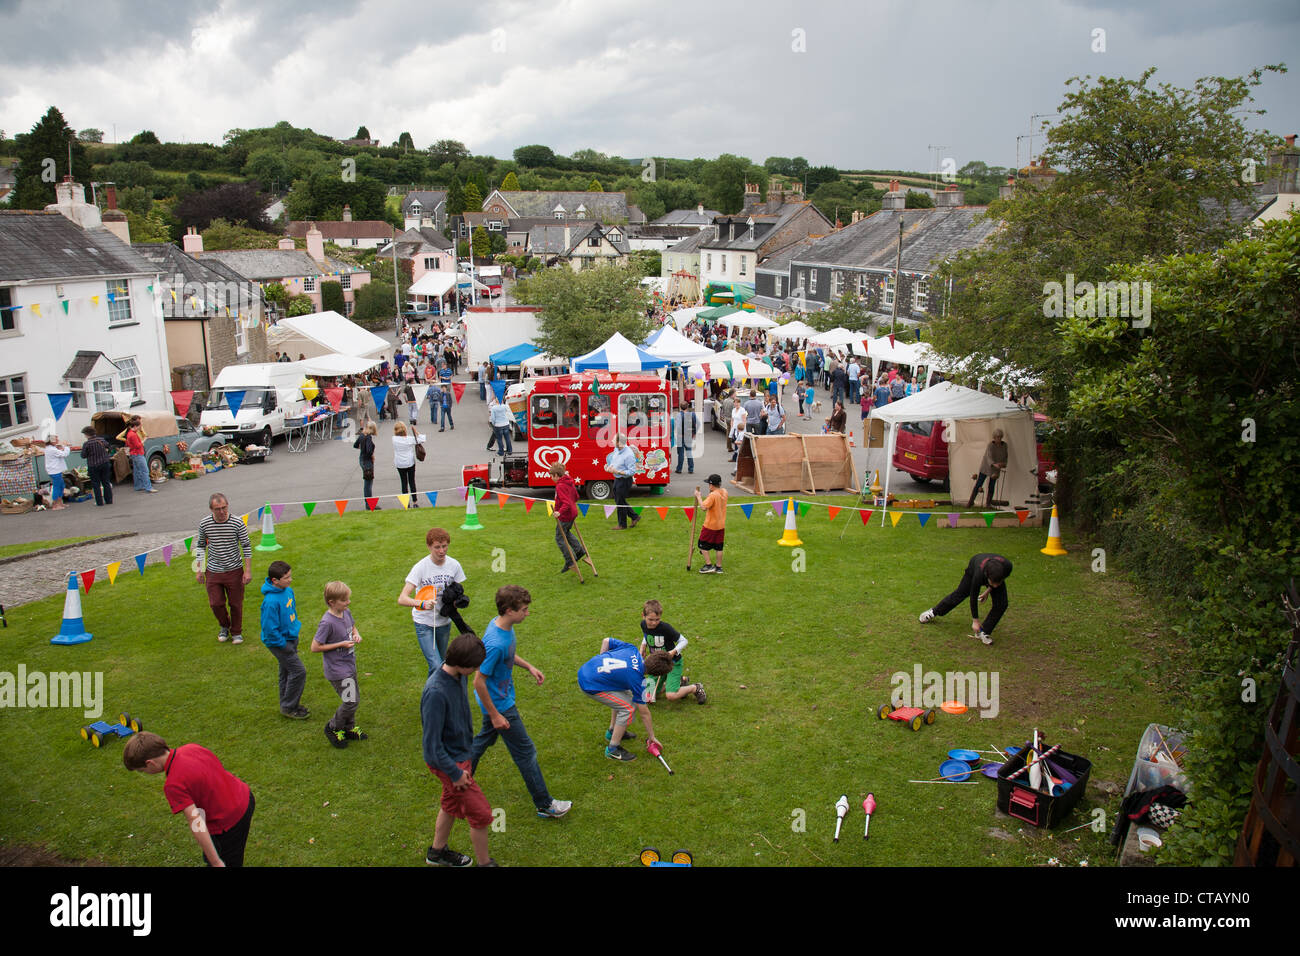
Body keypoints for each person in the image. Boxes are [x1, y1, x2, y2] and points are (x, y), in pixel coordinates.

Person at [469, 585, 572, 819]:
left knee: (483, 740)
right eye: (524, 610)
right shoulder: (495, 643)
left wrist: (529, 666)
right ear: (508, 610)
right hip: (500, 705)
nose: (527, 613)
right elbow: (478, 681)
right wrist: (495, 714)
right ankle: (545, 804)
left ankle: (460, 778)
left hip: (498, 701)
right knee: (526, 752)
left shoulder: (502, 627)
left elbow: (508, 655)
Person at [123, 732, 254, 867]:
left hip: (229, 822)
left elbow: (195, 820)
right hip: (244, 797)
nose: (146, 773)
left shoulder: (173, 784)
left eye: (142, 770)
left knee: (226, 860)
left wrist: (216, 862)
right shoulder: (191, 748)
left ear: (150, 763)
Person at [421, 633, 495, 867]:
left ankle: (436, 852)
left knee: (450, 805)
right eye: (473, 667)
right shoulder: (435, 692)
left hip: (461, 755)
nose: (476, 671)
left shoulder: (458, 675)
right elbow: (432, 747)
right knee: (482, 814)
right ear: (462, 664)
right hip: (449, 764)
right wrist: (455, 773)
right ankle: (485, 864)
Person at [577, 637, 673, 762]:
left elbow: (606, 641)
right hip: (589, 685)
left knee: (625, 694)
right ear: (656, 674)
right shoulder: (638, 681)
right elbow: (644, 713)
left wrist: (600, 662)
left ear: (650, 656)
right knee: (628, 708)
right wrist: (652, 737)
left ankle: (612, 731)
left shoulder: (632, 649)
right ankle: (613, 749)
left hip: (586, 669)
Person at [399, 527, 468, 674]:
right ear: (429, 547)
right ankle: (433, 695)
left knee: (442, 663)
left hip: (444, 622)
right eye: (437, 547)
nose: (442, 551)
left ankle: (436, 694)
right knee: (436, 665)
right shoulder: (420, 568)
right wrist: (422, 603)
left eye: (444, 546)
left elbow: (457, 591)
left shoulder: (454, 565)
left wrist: (458, 602)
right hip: (424, 622)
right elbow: (402, 599)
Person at [311, 580, 366, 748]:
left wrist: (356, 635)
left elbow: (353, 626)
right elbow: (315, 647)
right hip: (338, 670)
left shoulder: (346, 612)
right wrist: (341, 644)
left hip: (349, 665)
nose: (348, 602)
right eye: (344, 600)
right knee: (351, 701)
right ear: (331, 602)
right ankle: (333, 727)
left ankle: (348, 728)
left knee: (353, 698)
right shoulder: (327, 623)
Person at [919, 553, 1013, 646]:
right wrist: (975, 621)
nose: (996, 586)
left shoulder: (1007, 566)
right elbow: (973, 596)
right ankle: (933, 612)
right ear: (987, 576)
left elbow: (996, 584)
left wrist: (988, 590)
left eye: (998, 583)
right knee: (961, 593)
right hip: (973, 569)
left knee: (1002, 604)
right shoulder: (978, 574)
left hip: (994, 575)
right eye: (993, 583)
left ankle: (984, 632)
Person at [196, 493, 252, 644]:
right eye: (217, 509)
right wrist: (198, 570)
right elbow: (200, 546)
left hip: (234, 569)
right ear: (211, 509)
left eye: (224, 508)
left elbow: (246, 546)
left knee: (235, 603)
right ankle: (224, 625)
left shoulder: (237, 522)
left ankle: (236, 632)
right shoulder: (204, 524)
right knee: (216, 603)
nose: (221, 512)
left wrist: (247, 570)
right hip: (213, 571)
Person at [260, 560, 307, 719]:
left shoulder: (288, 591)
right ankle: (289, 707)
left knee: (286, 672)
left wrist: (294, 631)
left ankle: (287, 704)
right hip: (279, 643)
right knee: (299, 672)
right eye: (287, 577)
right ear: (275, 581)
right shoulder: (270, 602)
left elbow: (291, 612)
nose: (290, 580)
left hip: (291, 638)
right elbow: (269, 630)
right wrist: (283, 645)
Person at [639, 600, 706, 704]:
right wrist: (643, 645)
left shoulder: (665, 628)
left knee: (671, 696)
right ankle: (680, 682)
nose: (654, 623)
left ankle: (695, 688)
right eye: (650, 619)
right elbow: (647, 634)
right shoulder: (643, 624)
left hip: (672, 663)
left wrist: (672, 652)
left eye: (657, 619)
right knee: (647, 697)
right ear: (643, 615)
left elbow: (684, 641)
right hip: (657, 665)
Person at [551, 463, 595, 575]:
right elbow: (576, 496)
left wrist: (559, 512)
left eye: (552, 476)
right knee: (566, 532)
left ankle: (570, 560)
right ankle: (579, 550)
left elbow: (566, 503)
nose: (552, 478)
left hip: (565, 515)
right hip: (573, 513)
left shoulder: (560, 486)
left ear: (557, 475)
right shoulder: (569, 482)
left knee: (559, 537)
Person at [693, 473, 728, 574]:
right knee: (719, 547)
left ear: (711, 485)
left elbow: (704, 507)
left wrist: (698, 496)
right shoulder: (724, 492)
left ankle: (709, 565)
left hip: (710, 525)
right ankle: (719, 567)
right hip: (721, 525)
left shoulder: (713, 495)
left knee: (702, 545)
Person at [968, 428, 1009, 508]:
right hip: (986, 466)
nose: (999, 439)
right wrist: (994, 464)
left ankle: (988, 503)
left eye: (1000, 437)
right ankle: (971, 502)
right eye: (997, 437)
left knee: (992, 486)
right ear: (994, 437)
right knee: (979, 484)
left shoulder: (1005, 446)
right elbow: (989, 457)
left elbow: (1006, 456)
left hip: (996, 468)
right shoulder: (991, 445)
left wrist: (1004, 464)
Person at [605, 434, 638, 530]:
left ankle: (622, 525)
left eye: (614, 440)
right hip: (617, 479)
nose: (611, 441)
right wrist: (609, 467)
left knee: (620, 502)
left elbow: (632, 472)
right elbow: (614, 460)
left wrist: (618, 472)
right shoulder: (617, 449)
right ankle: (635, 516)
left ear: (619, 443)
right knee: (619, 500)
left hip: (624, 480)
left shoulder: (629, 455)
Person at [117, 415, 156, 493]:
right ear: (135, 426)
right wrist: (144, 440)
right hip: (138, 453)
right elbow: (138, 445)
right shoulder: (133, 435)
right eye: (139, 426)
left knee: (137, 471)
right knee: (145, 471)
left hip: (133, 454)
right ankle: (148, 487)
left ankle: (138, 486)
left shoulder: (129, 433)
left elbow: (128, 442)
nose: (139, 428)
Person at [79, 425, 114, 506]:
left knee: (96, 484)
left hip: (93, 465)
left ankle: (99, 502)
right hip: (104, 464)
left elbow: (83, 455)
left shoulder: (87, 444)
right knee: (106, 482)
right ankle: (109, 500)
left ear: (87, 434)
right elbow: (109, 447)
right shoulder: (102, 440)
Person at [392, 421, 425, 504]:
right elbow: (422, 439)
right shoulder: (409, 439)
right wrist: (416, 431)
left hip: (399, 463)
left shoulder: (394, 439)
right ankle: (415, 501)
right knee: (412, 481)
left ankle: (406, 503)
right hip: (409, 462)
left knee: (403, 482)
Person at [42, 435, 71, 510]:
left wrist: (61, 448)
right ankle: (55, 505)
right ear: (52, 441)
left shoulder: (50, 448)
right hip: (54, 471)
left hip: (55, 470)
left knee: (61, 486)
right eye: (56, 439)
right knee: (57, 487)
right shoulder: (52, 449)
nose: (58, 440)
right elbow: (64, 454)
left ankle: (60, 503)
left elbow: (59, 453)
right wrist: (66, 447)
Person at [671, 401, 698, 474]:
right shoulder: (692, 414)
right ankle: (691, 468)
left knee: (681, 453)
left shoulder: (679, 415)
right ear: (687, 406)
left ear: (680, 407)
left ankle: (679, 469)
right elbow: (695, 424)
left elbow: (678, 426)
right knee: (689, 452)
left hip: (681, 436)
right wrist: (694, 433)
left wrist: (678, 434)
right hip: (689, 435)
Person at [353, 421, 377, 501]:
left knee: (367, 482)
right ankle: (369, 504)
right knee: (368, 483)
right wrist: (372, 456)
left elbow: (355, 445)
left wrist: (362, 448)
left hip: (361, 458)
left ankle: (368, 502)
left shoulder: (362, 435)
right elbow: (369, 451)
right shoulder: (368, 437)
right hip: (367, 461)